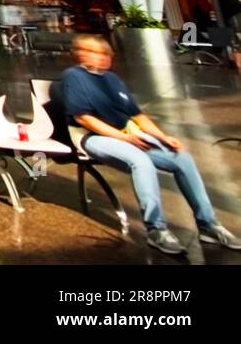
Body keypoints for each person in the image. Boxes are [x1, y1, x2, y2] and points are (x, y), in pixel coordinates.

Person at [60, 35, 240, 255]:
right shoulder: (74, 76)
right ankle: (156, 229)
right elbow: (83, 118)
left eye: (105, 53)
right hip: (93, 136)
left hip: (128, 133)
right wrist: (124, 138)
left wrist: (164, 138)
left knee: (181, 158)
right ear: (81, 54)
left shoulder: (113, 80)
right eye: (94, 52)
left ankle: (208, 224)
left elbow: (137, 115)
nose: (102, 57)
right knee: (140, 161)